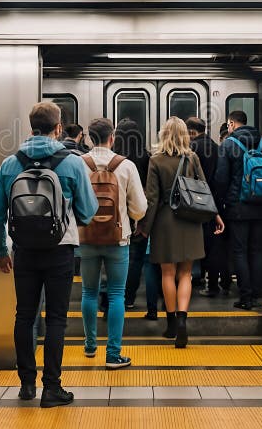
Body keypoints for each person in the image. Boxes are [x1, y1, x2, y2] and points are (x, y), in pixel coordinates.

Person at [0, 102, 97, 408]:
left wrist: (0, 250)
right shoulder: (73, 163)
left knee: (25, 316)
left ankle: (26, 384)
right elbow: (88, 212)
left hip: (23, 250)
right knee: (57, 319)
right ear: (58, 128)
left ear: (31, 127)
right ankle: (52, 388)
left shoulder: (11, 163)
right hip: (60, 249)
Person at [138, 117, 224, 348]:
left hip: (165, 221)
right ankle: (183, 320)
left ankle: (171, 325)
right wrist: (215, 215)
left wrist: (145, 228)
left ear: (163, 134)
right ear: (185, 135)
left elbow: (152, 198)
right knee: (185, 273)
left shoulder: (155, 160)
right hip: (190, 219)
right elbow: (203, 189)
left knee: (167, 273)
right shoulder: (192, 157)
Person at [79, 118, 147, 368]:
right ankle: (113, 354)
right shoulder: (126, 166)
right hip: (119, 238)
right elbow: (139, 209)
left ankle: (89, 346)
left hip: (86, 237)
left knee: (89, 291)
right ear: (112, 138)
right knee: (117, 294)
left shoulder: (78, 163)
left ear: (89, 137)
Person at [214, 110, 262, 310]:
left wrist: (219, 205)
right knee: (257, 250)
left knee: (239, 251)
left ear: (231, 124)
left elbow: (221, 179)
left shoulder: (228, 144)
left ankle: (245, 296)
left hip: (238, 207)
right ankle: (256, 293)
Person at [117, 119, 161, 319]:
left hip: (115, 217)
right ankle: (129, 298)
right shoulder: (146, 158)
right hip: (139, 216)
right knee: (135, 260)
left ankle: (109, 297)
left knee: (112, 259)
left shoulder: (114, 159)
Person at [186, 117, 224, 296]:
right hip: (213, 201)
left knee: (196, 241)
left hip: (195, 202)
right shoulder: (216, 146)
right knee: (213, 245)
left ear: (192, 132)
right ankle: (212, 283)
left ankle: (197, 277)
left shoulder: (193, 148)